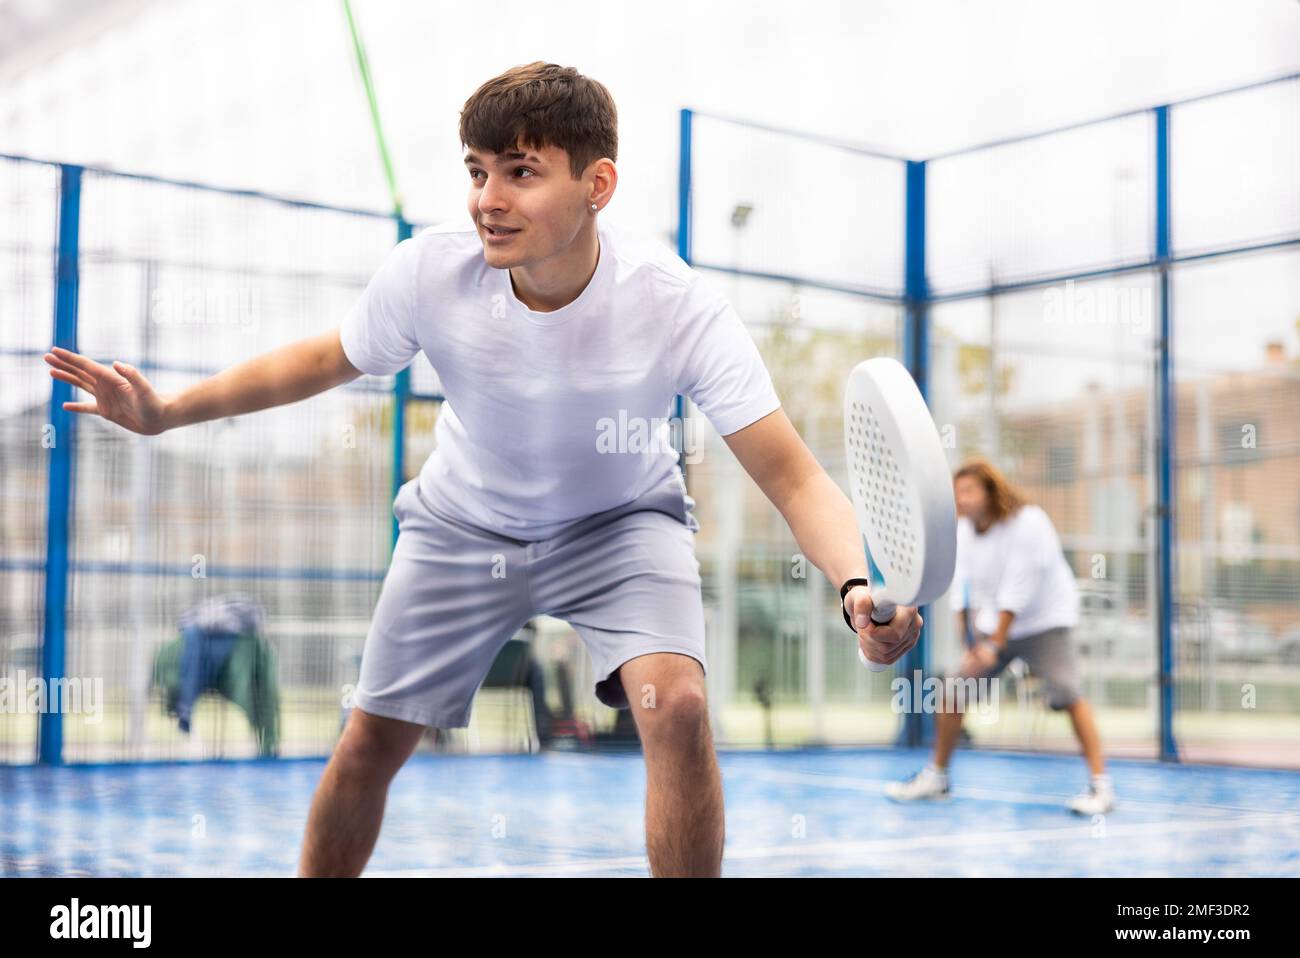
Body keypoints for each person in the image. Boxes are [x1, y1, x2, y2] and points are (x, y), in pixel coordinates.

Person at [44, 61, 920, 877]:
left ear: (597, 185)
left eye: (520, 172)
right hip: (461, 526)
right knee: (367, 744)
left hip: (621, 528)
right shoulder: (430, 273)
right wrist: (165, 413)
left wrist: (854, 585)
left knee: (679, 708)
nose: (487, 200)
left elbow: (794, 476)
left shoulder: (676, 304)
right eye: (476, 172)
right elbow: (317, 361)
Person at [884, 458, 1116, 816]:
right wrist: (972, 641)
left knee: (1069, 694)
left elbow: (1019, 587)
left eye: (968, 491)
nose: (960, 498)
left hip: (1045, 622)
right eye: (956, 492)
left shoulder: (1029, 522)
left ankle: (1101, 787)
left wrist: (993, 645)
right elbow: (959, 583)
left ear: (991, 492)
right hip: (997, 625)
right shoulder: (962, 529)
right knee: (952, 691)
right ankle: (938, 778)